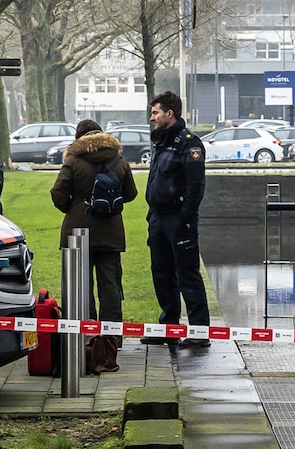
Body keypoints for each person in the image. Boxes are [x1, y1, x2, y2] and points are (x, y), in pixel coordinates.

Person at [50, 117, 136, 375]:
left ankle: (86, 339)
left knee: (81, 288)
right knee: (110, 287)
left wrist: (76, 208)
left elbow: (57, 193)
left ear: (78, 138)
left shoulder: (73, 161)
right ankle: (112, 341)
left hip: (77, 232)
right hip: (110, 234)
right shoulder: (118, 160)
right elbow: (130, 194)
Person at [144, 90, 210, 351]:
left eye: (156, 113)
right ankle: (169, 327)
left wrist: (186, 219)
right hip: (158, 217)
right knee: (161, 273)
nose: (152, 118)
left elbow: (196, 186)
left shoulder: (189, 143)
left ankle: (199, 331)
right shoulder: (160, 142)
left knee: (187, 274)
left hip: (178, 218)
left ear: (169, 113)